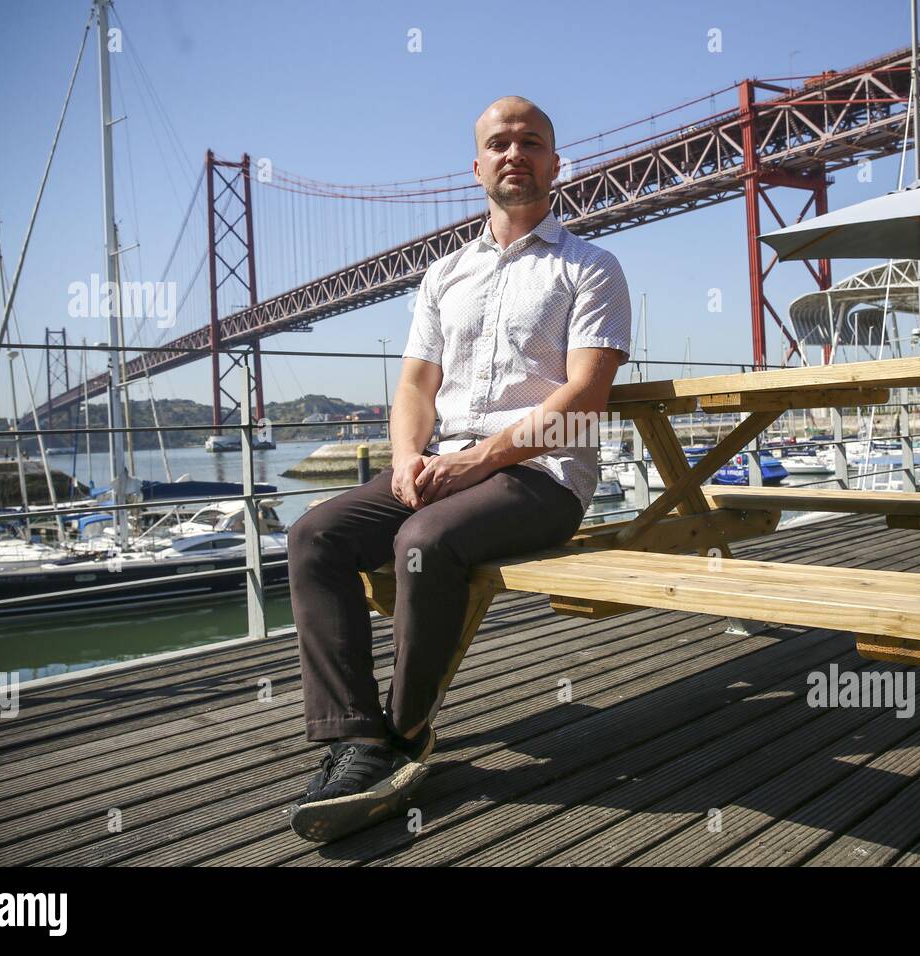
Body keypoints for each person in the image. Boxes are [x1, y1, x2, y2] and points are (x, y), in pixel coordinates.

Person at [285, 95, 631, 842]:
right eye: (499, 144)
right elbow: (415, 385)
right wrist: (410, 455)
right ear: (476, 167)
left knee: (424, 543)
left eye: (531, 142)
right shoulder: (443, 275)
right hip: (445, 465)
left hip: (541, 477)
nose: (516, 153)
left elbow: (585, 401)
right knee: (314, 536)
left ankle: (407, 736)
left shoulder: (592, 268)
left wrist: (478, 460)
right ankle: (358, 738)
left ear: (555, 163)